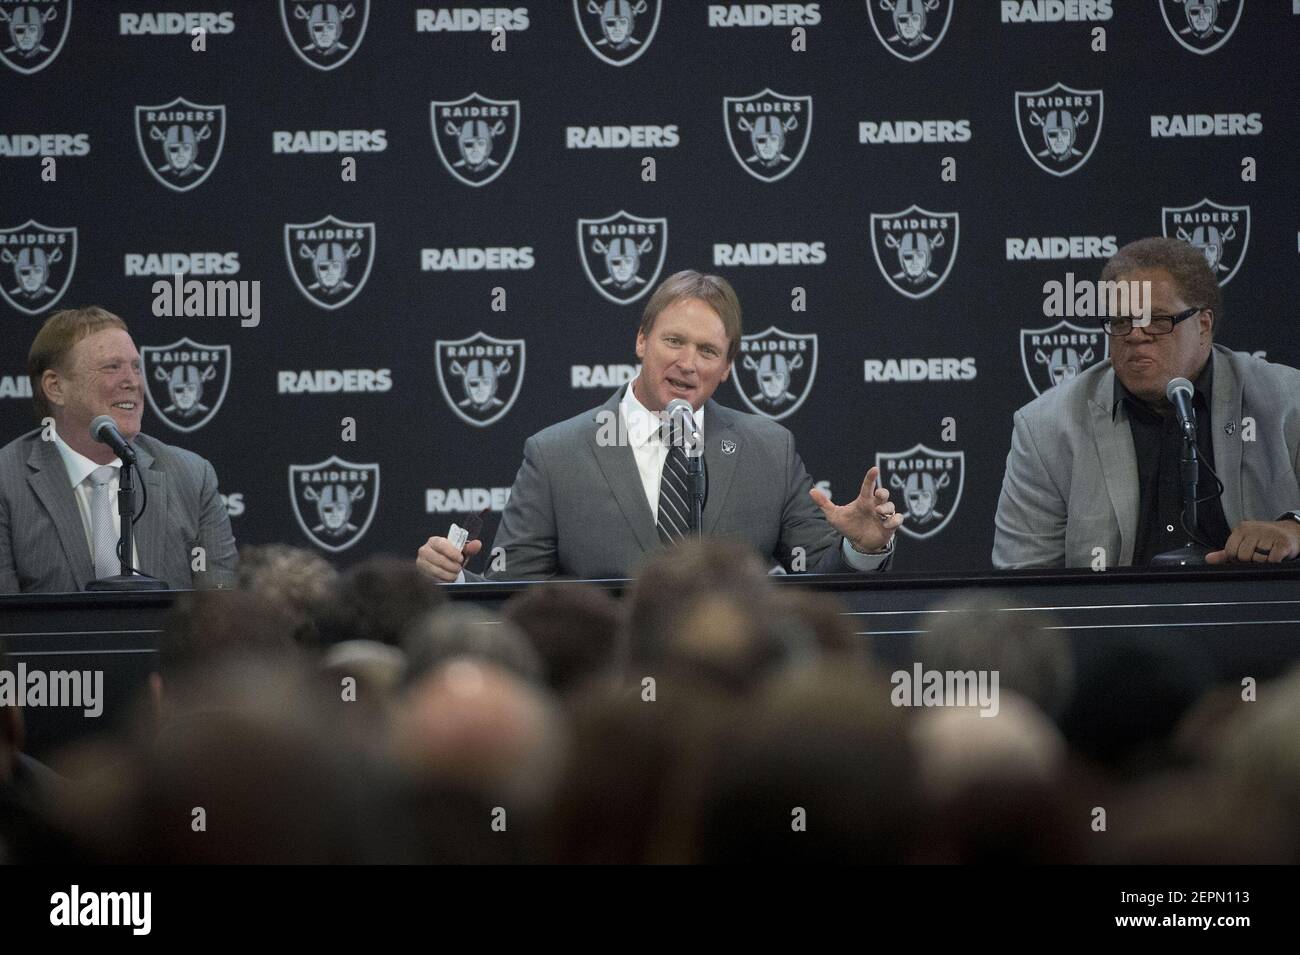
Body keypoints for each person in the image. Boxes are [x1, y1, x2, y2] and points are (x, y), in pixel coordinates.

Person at [417, 270, 901, 581]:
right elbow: (515, 593)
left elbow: (822, 576)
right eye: (674, 341)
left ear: (728, 367)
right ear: (642, 341)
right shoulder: (556, 455)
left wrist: (860, 548)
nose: (688, 363)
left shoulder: (768, 450)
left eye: (708, 351)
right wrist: (453, 580)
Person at [993, 237, 1300, 568]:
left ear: (1203, 325)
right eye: (1121, 321)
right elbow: (1024, 579)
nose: (1136, 335)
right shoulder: (1046, 428)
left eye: (1158, 319)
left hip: (1255, 614)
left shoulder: (1288, 400)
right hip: (1116, 616)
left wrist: (1294, 528)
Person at [0, 307, 237, 593]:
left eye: (136, 367)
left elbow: (222, 601)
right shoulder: (7, 482)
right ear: (55, 387)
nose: (133, 382)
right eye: (112, 367)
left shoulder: (192, 476)